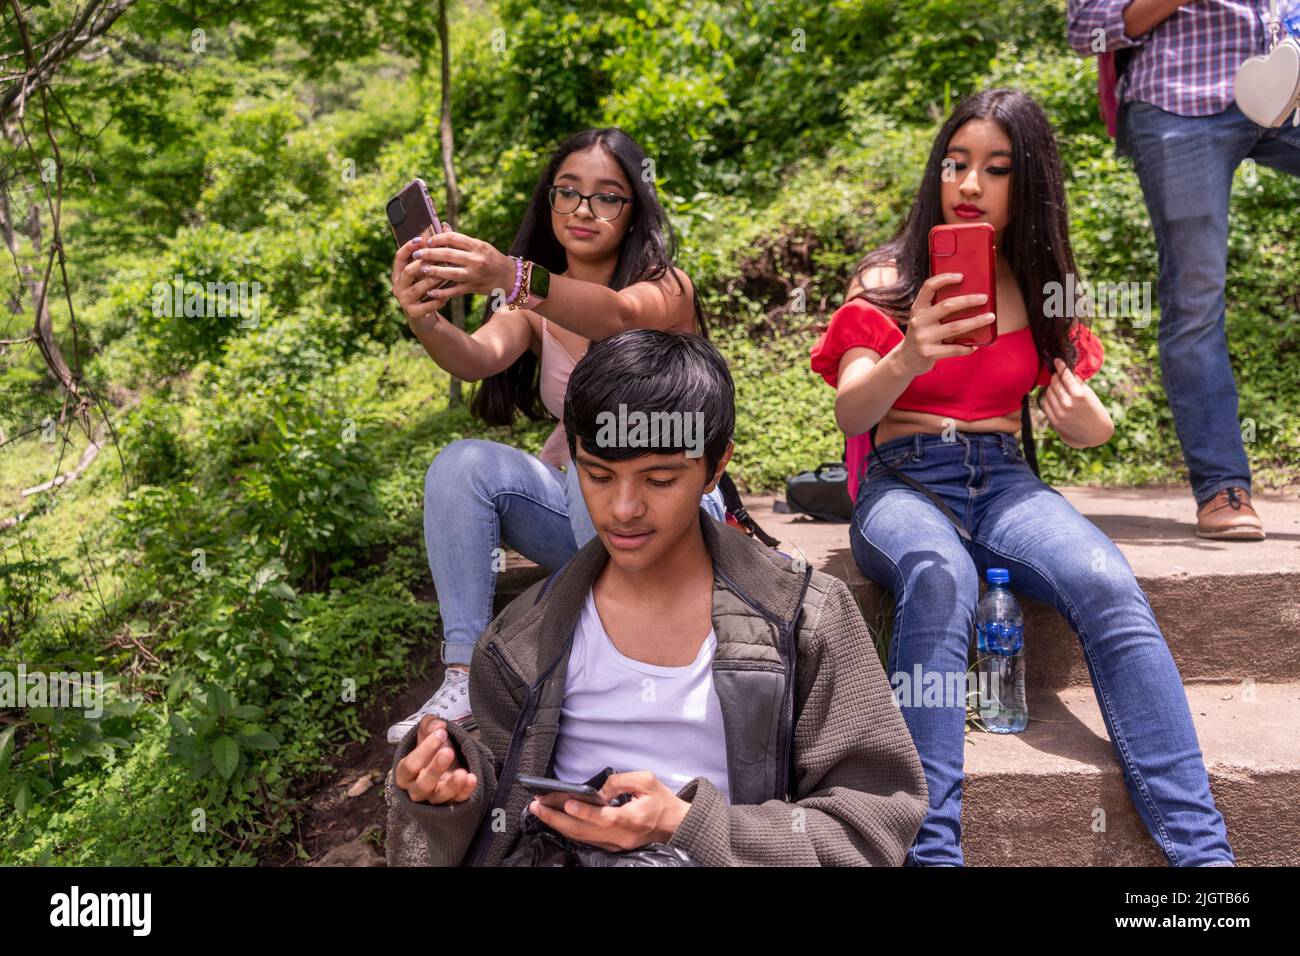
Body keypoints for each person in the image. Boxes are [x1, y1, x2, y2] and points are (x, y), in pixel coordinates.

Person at [810, 88, 1234, 866]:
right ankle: (931, 854)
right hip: (904, 480)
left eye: (995, 169)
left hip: (1005, 481)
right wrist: (912, 351)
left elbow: (1093, 417)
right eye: (956, 164)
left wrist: (1088, 424)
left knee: (1107, 579)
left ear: (1026, 183)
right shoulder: (887, 281)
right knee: (939, 580)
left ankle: (1206, 864)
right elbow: (850, 412)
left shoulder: (1044, 287)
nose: (969, 185)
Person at [383, 329, 928, 866]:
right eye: (597, 475)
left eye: (659, 480)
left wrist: (684, 824)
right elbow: (491, 811)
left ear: (716, 467)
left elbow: (874, 822)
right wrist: (447, 794)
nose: (623, 509)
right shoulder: (518, 642)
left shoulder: (808, 617)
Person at [386, 128, 727, 742]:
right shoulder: (528, 300)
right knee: (464, 464)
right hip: (585, 516)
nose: (583, 211)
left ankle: (609, 660)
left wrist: (513, 275)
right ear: (548, 202)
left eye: (607, 197)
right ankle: (462, 676)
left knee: (594, 454)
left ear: (634, 211)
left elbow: (617, 316)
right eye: (567, 193)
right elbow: (473, 357)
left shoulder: (665, 287)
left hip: (675, 513)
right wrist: (423, 317)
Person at [1068, 0, 1300, 540]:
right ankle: (1223, 487)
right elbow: (1086, 31)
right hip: (1180, 100)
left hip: (1288, 89)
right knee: (1196, 300)